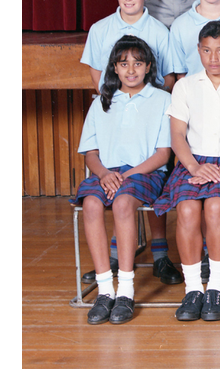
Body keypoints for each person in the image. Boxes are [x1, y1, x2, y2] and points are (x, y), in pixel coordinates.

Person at [78, 0, 180, 290]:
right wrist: (114, 95)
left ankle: (160, 253)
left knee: (135, 188)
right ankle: (112, 262)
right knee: (106, 195)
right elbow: (98, 73)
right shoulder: (101, 29)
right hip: (115, 106)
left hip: (150, 114)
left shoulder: (161, 31)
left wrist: (148, 102)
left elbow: (168, 77)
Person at [152, 22, 220, 322]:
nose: (213, 58)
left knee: (215, 207)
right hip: (194, 160)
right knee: (187, 209)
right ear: (198, 50)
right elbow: (177, 135)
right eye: (206, 50)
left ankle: (215, 287)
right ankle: (192, 289)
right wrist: (194, 167)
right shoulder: (185, 86)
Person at [74, 36, 172, 325]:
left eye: (138, 63)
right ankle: (105, 290)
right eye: (124, 63)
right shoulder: (101, 102)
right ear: (114, 68)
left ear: (148, 67)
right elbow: (90, 152)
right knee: (91, 204)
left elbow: (163, 154)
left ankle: (125, 290)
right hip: (107, 173)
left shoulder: (162, 99)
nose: (131, 70)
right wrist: (104, 174)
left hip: (144, 172)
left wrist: (125, 176)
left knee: (122, 203)